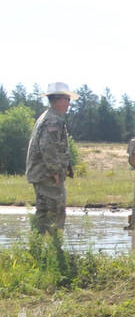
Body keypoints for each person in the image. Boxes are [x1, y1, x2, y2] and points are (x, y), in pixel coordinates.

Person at [25, 83, 77, 234]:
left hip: (41, 173)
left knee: (43, 211)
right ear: (58, 100)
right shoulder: (53, 120)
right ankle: (55, 248)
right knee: (55, 210)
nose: (69, 103)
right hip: (47, 174)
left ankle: (38, 248)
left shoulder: (47, 117)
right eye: (67, 99)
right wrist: (55, 171)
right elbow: (48, 147)